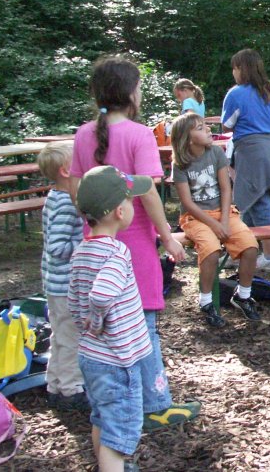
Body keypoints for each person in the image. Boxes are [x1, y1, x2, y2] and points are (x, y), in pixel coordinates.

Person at [68, 56, 197, 431]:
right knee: (144, 326)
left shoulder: (82, 134)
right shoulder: (139, 135)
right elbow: (149, 194)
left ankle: (114, 400)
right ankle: (155, 405)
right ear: (129, 94)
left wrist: (92, 227)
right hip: (135, 245)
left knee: (106, 327)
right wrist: (166, 237)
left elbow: (76, 190)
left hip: (96, 239)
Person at [70, 166, 196, 472]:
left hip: (91, 357)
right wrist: (97, 320)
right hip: (118, 362)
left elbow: (74, 300)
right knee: (119, 437)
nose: (132, 206)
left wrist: (87, 323)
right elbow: (101, 296)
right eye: (130, 201)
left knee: (102, 419)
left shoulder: (81, 251)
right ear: (118, 212)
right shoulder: (117, 253)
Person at [170, 112, 261, 327]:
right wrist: (214, 225)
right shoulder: (180, 164)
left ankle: (243, 296)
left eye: (205, 125)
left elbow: (226, 188)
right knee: (211, 250)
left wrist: (225, 222)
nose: (208, 129)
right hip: (195, 217)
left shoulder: (216, 153)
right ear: (187, 138)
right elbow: (187, 202)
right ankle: (206, 302)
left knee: (250, 247)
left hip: (224, 212)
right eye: (200, 128)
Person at [222, 49, 270, 272]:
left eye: (234, 68)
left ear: (241, 69)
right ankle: (238, 250)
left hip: (250, 151)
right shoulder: (268, 91)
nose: (233, 73)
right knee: (249, 201)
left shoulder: (235, 94)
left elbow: (227, 125)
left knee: (258, 200)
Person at [36, 141, 87, 411]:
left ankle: (54, 384)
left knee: (60, 336)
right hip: (65, 285)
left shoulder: (55, 197)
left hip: (55, 283)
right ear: (67, 171)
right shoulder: (67, 202)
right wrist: (87, 243)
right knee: (71, 338)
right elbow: (57, 247)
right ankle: (71, 389)